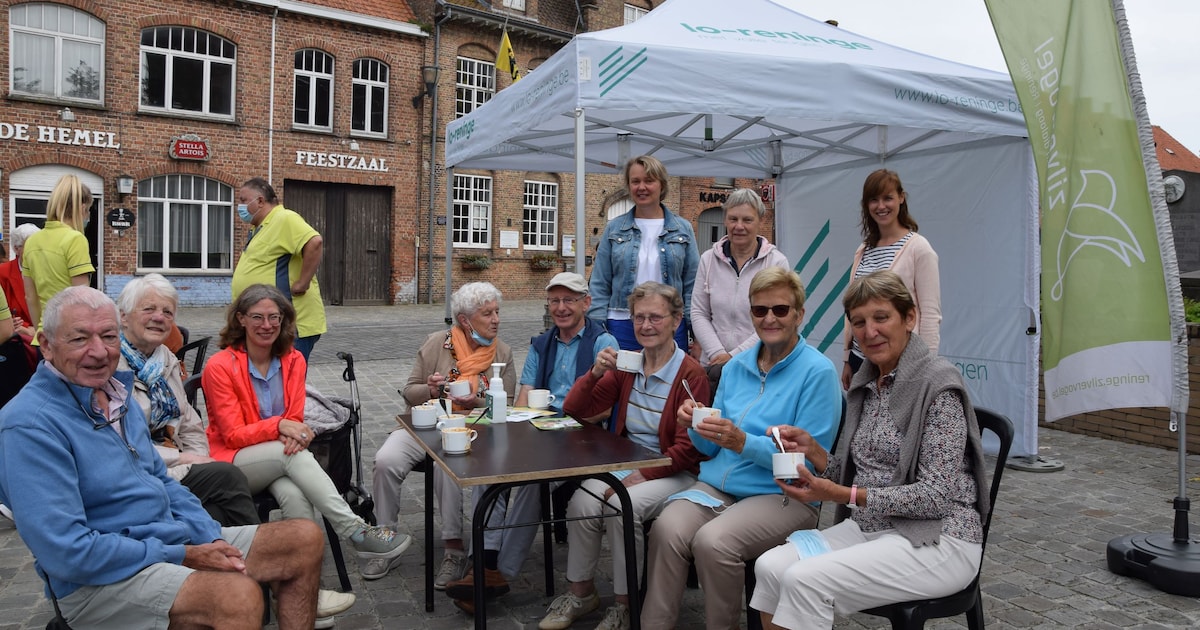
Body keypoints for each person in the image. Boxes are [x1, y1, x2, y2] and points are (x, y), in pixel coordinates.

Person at [0, 285, 325, 629]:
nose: (98, 351)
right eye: (80, 339)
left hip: (168, 538)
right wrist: (183, 554)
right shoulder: (29, 425)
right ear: (46, 345)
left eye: (108, 337)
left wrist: (210, 537)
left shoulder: (115, 396)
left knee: (303, 539)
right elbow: (67, 553)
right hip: (100, 578)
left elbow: (162, 482)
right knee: (237, 595)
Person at [750, 270, 989, 630]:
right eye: (859, 322)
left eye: (881, 317)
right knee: (769, 567)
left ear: (909, 318)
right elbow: (860, 474)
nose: (869, 331)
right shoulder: (867, 383)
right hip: (872, 527)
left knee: (804, 580)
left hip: (940, 538)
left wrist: (843, 495)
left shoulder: (938, 386)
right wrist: (815, 452)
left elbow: (935, 497)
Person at [641, 267, 842, 630]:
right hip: (720, 486)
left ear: (799, 314)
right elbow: (709, 449)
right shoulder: (736, 367)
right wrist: (696, 424)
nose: (769, 318)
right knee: (666, 528)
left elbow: (806, 465)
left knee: (713, 542)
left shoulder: (818, 372)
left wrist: (742, 442)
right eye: (760, 310)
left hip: (783, 494)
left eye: (780, 309)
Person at [203, 283, 412, 578]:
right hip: (232, 462)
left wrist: (290, 431)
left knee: (296, 499)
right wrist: (280, 427)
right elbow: (233, 434)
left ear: (283, 319)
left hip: (278, 458)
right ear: (241, 319)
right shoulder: (220, 366)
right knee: (290, 455)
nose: (267, 325)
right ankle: (355, 530)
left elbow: (294, 417)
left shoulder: (293, 360)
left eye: (274, 317)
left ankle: (303, 588)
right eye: (257, 317)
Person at [445, 274, 619, 615]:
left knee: (530, 485)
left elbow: (608, 407)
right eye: (554, 301)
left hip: (583, 438)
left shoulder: (602, 342)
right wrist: (525, 429)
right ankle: (484, 563)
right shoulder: (542, 343)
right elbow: (524, 398)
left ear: (586, 303)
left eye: (569, 300)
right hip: (542, 431)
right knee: (489, 470)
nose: (561, 308)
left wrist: (564, 420)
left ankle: (498, 572)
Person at [538, 282, 709, 630]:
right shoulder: (629, 364)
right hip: (631, 462)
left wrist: (644, 474)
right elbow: (577, 410)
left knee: (621, 507)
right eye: (639, 317)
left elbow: (688, 449)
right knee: (582, 502)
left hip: (675, 469)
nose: (646, 325)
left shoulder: (690, 373)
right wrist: (594, 373)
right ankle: (581, 592)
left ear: (676, 320)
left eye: (655, 317)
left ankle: (626, 602)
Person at [373, 282, 516, 586]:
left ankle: (453, 549)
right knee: (385, 460)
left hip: (473, 430)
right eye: (487, 314)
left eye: (497, 312)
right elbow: (409, 391)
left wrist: (476, 401)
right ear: (465, 320)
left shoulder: (502, 352)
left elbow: (511, 404)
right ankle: (386, 540)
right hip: (426, 423)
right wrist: (430, 389)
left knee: (447, 464)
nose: (496, 320)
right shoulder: (437, 343)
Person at [117, 274, 259, 527]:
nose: (159, 317)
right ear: (124, 316)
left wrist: (198, 458)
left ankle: (237, 548)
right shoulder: (108, 367)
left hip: (175, 463)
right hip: (136, 471)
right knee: (228, 477)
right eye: (148, 309)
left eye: (167, 312)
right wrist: (183, 460)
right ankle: (260, 545)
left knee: (215, 511)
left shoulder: (165, 360)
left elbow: (190, 422)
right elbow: (118, 442)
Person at [588, 155, 699, 352]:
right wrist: (596, 329)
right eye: (635, 181)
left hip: (669, 322)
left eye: (649, 181)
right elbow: (599, 282)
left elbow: (692, 285)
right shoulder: (614, 228)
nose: (641, 187)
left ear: (661, 185)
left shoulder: (683, 229)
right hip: (621, 323)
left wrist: (695, 331)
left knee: (669, 372)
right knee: (621, 372)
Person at [841, 169, 940, 389]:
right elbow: (852, 310)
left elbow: (931, 314)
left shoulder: (919, 248)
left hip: (901, 363)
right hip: (860, 360)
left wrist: (926, 369)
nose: (881, 206)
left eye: (888, 198)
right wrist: (847, 357)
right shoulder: (863, 249)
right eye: (874, 200)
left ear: (901, 198)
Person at [690, 188, 790, 390]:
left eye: (747, 220)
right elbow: (699, 312)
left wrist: (734, 357)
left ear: (760, 221)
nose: (739, 226)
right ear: (725, 220)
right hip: (713, 365)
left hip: (758, 364)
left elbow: (776, 319)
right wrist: (717, 353)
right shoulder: (708, 260)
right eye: (733, 219)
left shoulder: (776, 263)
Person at [232, 178, 326, 361]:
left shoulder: (284, 218)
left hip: (287, 324)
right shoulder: (260, 227)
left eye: (243, 200)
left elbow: (315, 242)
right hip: (269, 323)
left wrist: (303, 283)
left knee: (287, 376)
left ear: (260, 201)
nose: (240, 206)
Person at [21, 174, 94, 344]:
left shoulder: (32, 241)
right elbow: (81, 296)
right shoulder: (75, 239)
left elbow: (30, 297)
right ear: (82, 208)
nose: (88, 216)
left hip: (44, 337)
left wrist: (40, 330)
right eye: (88, 210)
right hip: (71, 336)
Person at [0, 223, 40, 340]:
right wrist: (26, 328)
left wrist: (34, 329)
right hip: (15, 341)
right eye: (30, 246)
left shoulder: (49, 271)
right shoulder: (3, 272)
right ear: (16, 249)